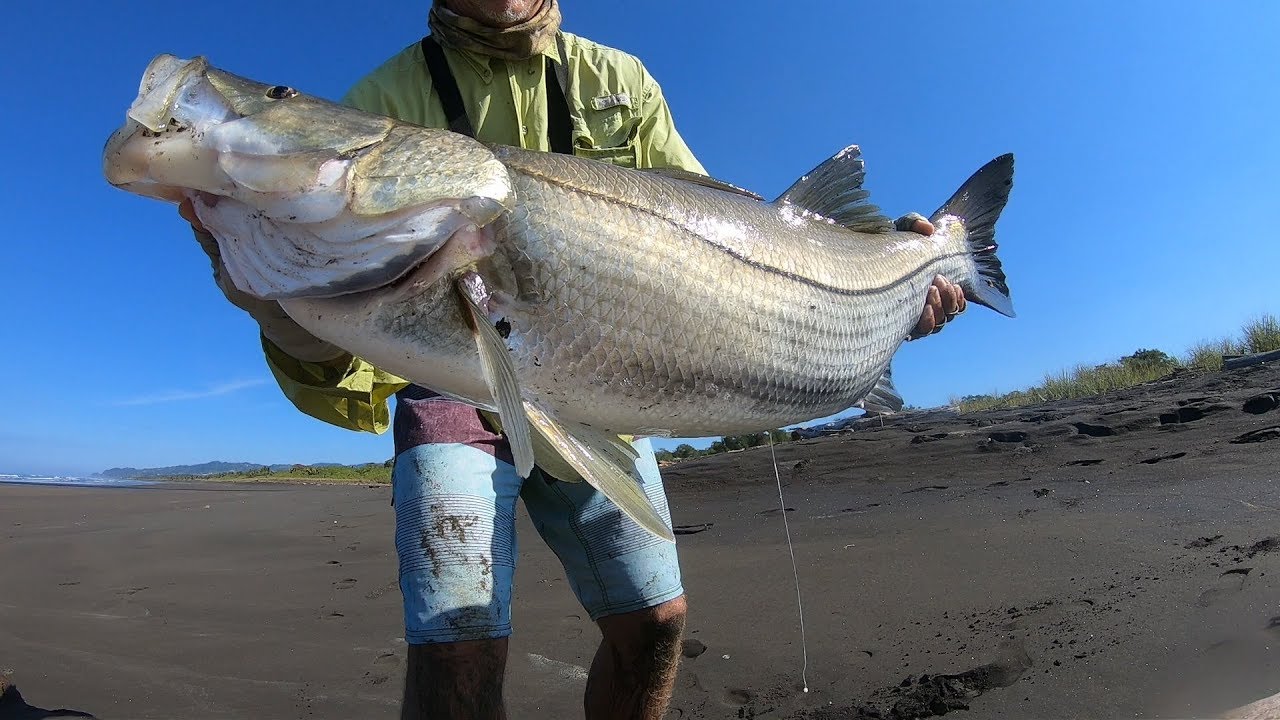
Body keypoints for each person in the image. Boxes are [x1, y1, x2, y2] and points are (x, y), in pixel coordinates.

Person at [181, 1, 966, 717]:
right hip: (451, 385)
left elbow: (723, 235)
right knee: (459, 642)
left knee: (656, 625)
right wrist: (273, 301)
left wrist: (886, 277)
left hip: (600, 388)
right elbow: (341, 346)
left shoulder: (620, 78)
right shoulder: (379, 97)